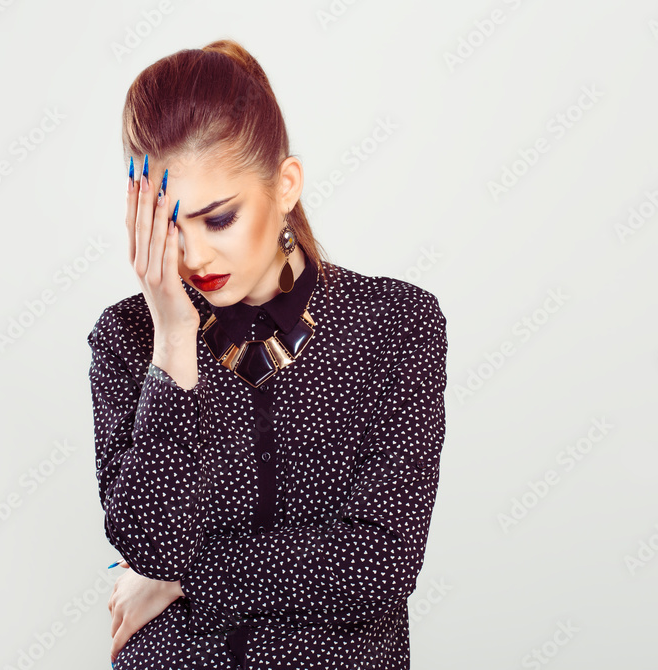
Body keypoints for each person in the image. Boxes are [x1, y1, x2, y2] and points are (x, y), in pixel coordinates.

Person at [88, 38, 448, 670]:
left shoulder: (396, 326)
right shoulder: (126, 341)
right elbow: (149, 540)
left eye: (217, 220)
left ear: (285, 185)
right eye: (169, 227)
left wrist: (182, 580)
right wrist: (173, 336)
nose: (193, 258)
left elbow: (377, 567)